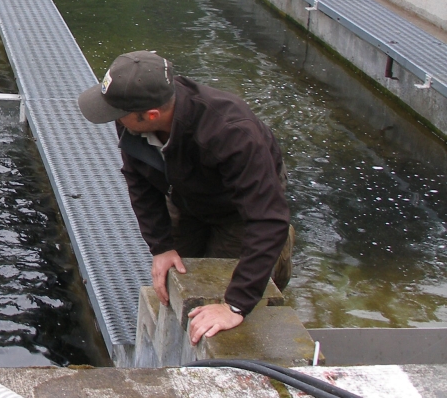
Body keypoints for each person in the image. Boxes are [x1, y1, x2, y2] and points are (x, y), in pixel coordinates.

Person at [76, 50, 293, 344]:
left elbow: (268, 219)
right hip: (185, 189)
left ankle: (269, 270)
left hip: (238, 209)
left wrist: (235, 305)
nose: (113, 119)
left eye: (117, 114)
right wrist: (160, 246)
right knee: (179, 274)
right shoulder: (131, 113)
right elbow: (139, 180)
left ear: (152, 115)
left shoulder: (233, 133)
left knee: (223, 285)